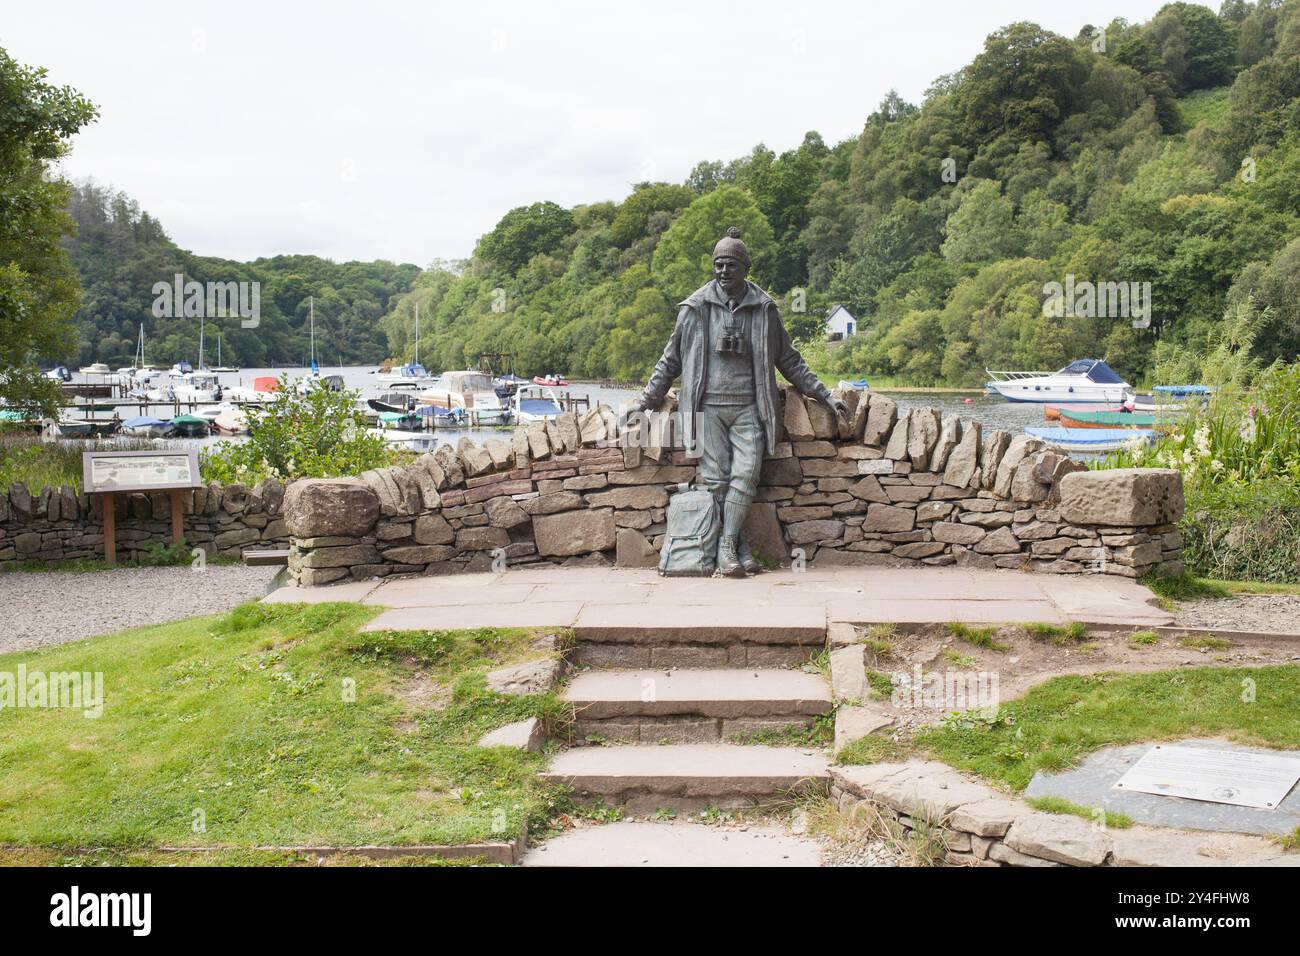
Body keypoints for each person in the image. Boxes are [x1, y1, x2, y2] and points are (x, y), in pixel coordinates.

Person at [635, 227, 846, 577]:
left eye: (731, 265)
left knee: (747, 475)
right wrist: (646, 400)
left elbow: (789, 359)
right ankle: (735, 547)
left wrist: (824, 394)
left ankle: (727, 544)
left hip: (750, 405)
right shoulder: (695, 308)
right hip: (707, 407)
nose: (723, 271)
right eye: (718, 264)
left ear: (745, 268)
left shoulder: (764, 309)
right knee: (716, 479)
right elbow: (671, 359)